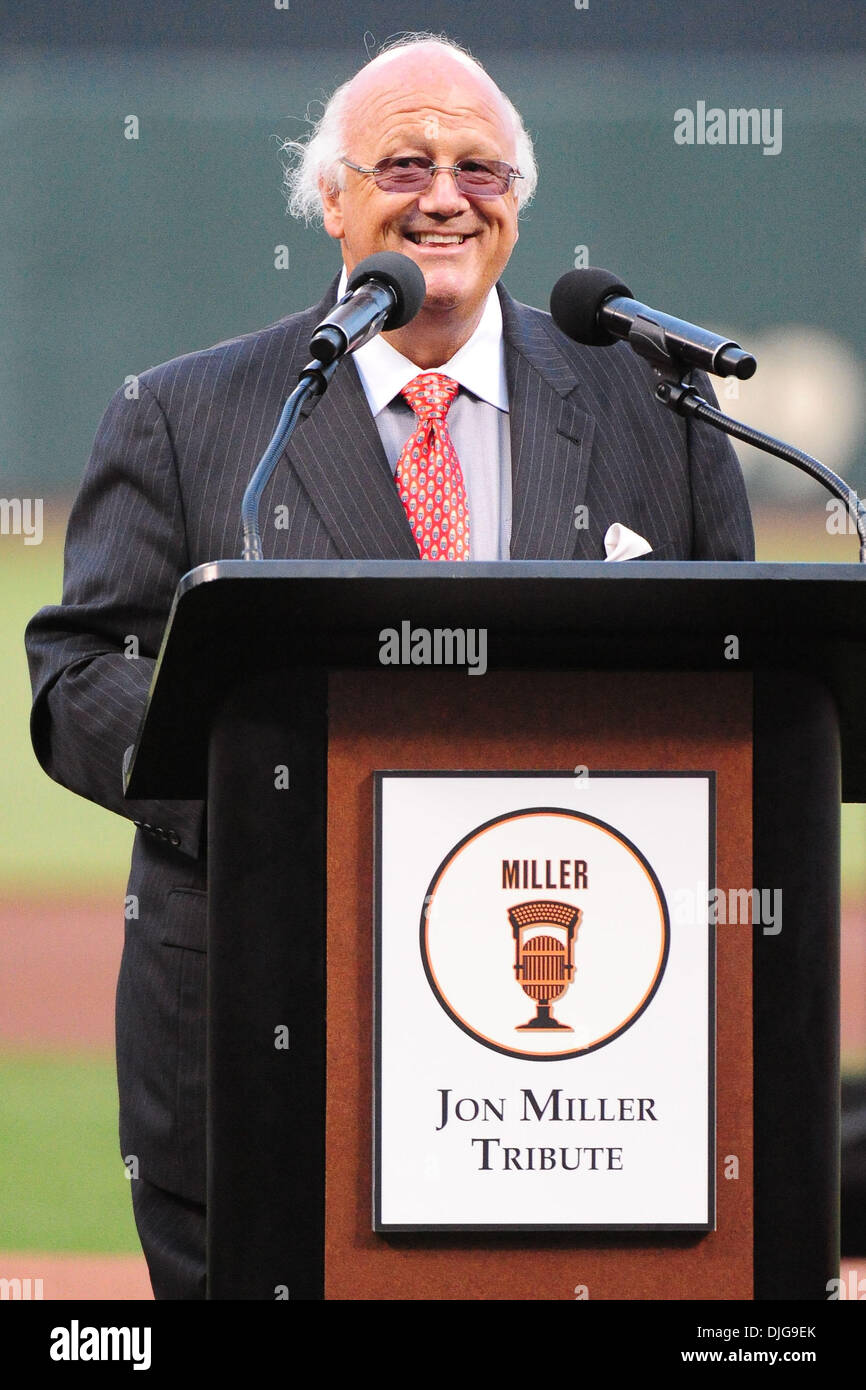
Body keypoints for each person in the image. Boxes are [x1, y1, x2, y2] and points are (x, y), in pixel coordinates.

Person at [24, 32, 754, 1299]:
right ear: (332, 198)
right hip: (272, 1011)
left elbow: (747, 677)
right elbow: (76, 672)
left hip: (579, 1053)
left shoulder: (658, 412)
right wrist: (266, 792)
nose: (442, 197)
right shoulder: (188, 415)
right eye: (404, 162)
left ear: (518, 202)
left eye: (480, 169)